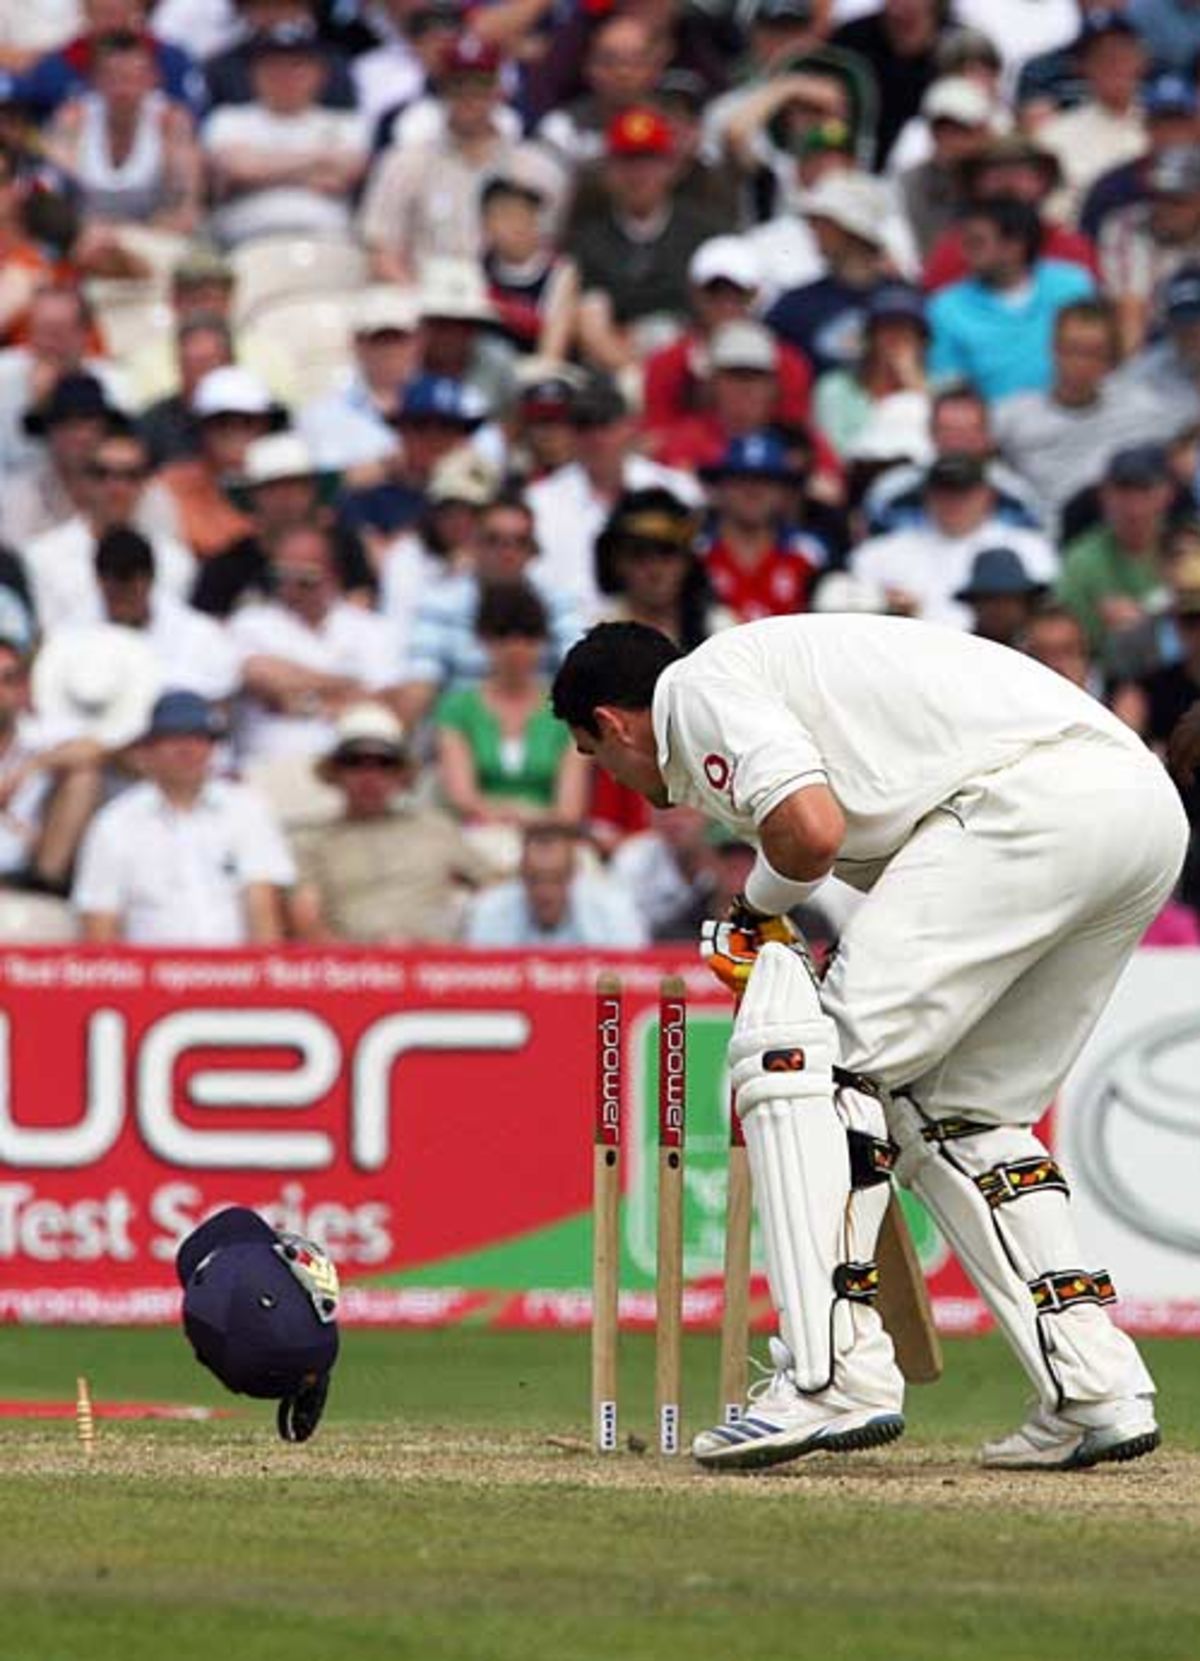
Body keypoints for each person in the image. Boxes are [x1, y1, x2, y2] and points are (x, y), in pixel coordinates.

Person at [551, 614, 1185, 1472]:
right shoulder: (789, 684)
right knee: (961, 1113)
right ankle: (1095, 1388)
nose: (623, 781)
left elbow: (810, 833)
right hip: (1139, 816)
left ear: (612, 724)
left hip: (1027, 806)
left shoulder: (694, 691)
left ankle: (831, 1374)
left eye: (601, 758)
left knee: (807, 1063)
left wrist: (751, 912)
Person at [72, 687, 294, 943]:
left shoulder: (247, 810)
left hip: (237, 975)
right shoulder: (114, 824)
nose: (188, 749)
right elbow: (100, 924)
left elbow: (263, 912)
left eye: (199, 738)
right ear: (147, 750)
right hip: (148, 978)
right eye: (173, 738)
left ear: (213, 748)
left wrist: (257, 978)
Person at [289, 701, 492, 944]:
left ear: (400, 774)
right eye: (355, 762)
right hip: (352, 971)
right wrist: (365, 966)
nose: (369, 776)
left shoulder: (434, 828)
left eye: (384, 763)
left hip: (437, 967)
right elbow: (306, 920)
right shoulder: (311, 840)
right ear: (336, 772)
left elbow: (497, 889)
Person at [852, 453, 1057, 629]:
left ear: (988, 495)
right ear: (926, 496)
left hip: (998, 655)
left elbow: (1039, 618)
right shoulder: (877, 554)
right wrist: (887, 608)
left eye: (963, 492)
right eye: (943, 492)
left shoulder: (1031, 548)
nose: (953, 502)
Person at [927, 196, 1095, 403]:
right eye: (965, 243)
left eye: (977, 243)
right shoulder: (946, 308)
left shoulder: (1073, 285)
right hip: (998, 427)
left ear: (1014, 246)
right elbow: (949, 386)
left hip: (1081, 416)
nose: (964, 253)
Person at [462, 821, 646, 947]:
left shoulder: (614, 909)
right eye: (535, 879)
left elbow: (632, 977)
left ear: (573, 875)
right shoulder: (489, 910)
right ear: (521, 876)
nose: (545, 893)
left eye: (556, 880)